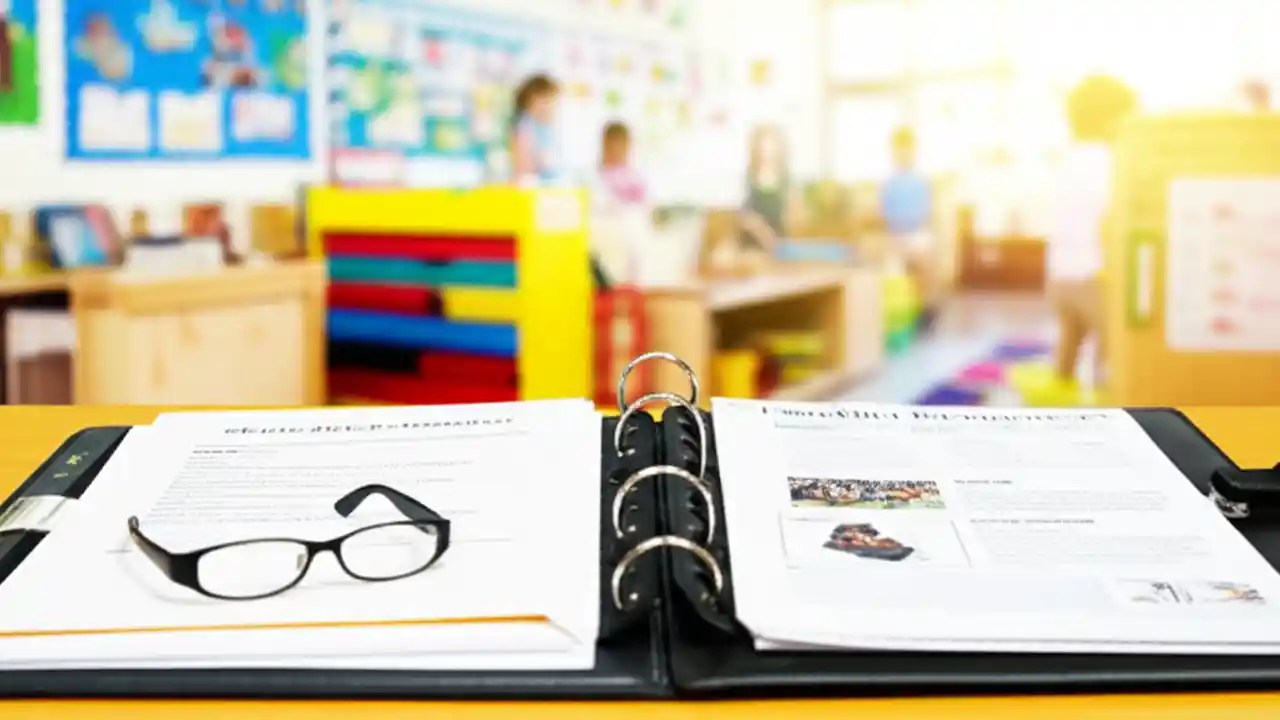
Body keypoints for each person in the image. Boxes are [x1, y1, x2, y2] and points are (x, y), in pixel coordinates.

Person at [1047, 74, 1137, 390]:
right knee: (1112, 349)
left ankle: (1055, 404)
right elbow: (1111, 221)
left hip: (1059, 276)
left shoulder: (1068, 160)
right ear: (1110, 122)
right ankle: (1105, 407)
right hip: (1093, 278)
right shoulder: (1111, 161)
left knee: (1069, 344)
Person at [880, 126, 936, 330]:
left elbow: (924, 213)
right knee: (891, 266)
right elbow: (885, 213)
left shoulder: (920, 181)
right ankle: (897, 312)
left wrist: (911, 234)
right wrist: (896, 236)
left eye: (907, 149)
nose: (903, 154)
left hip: (917, 232)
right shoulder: (889, 182)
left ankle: (927, 310)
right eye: (899, 150)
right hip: (896, 234)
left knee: (924, 257)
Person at [741, 124, 791, 251]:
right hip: (750, 244)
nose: (766, 152)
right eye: (763, 147)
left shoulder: (785, 179)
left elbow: (790, 216)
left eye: (770, 147)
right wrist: (760, 229)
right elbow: (743, 215)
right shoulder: (749, 177)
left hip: (779, 244)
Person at [509, 74, 561, 186]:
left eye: (551, 101)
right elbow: (523, 166)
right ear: (527, 104)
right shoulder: (525, 126)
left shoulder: (551, 128)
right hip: (530, 183)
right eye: (544, 101)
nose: (549, 107)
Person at [595, 121, 648, 209]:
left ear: (628, 145)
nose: (615, 149)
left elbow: (645, 206)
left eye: (620, 144)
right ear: (604, 144)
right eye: (611, 145)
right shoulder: (592, 177)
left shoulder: (636, 179)